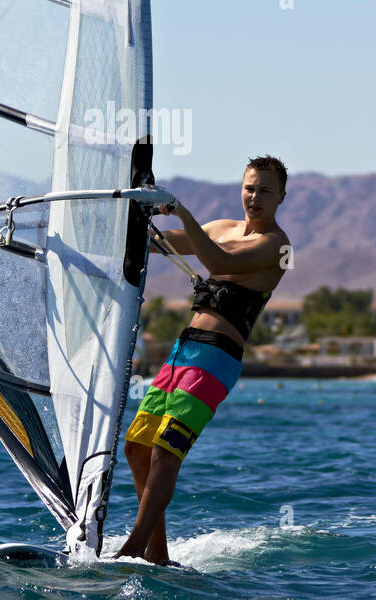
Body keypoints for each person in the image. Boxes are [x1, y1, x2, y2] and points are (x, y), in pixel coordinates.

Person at [116, 155, 291, 564]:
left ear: (282, 196)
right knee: (136, 446)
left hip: (215, 360)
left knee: (165, 451)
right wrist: (134, 209)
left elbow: (219, 262)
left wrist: (181, 210)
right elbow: (158, 244)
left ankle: (133, 549)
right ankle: (157, 556)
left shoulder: (278, 246)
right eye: (250, 187)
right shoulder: (221, 228)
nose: (255, 197)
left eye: (266, 190)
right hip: (184, 351)